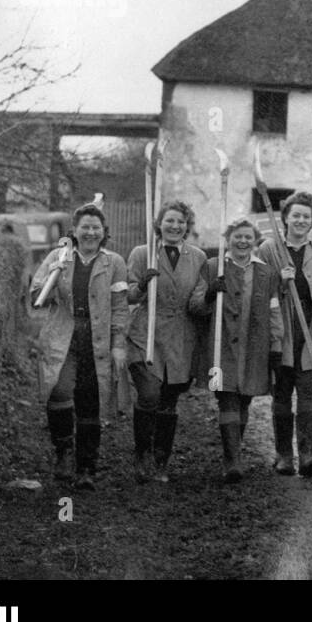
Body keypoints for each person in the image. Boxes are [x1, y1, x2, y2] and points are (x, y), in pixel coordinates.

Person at [29, 201, 129, 490]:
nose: (90, 232)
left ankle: (86, 467)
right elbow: (36, 297)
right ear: (74, 230)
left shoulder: (114, 263)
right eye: (85, 227)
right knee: (58, 391)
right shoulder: (58, 257)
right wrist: (53, 274)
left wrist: (118, 344)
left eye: (96, 228)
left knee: (90, 400)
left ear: (103, 232)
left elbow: (120, 307)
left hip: (96, 338)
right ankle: (63, 452)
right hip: (64, 334)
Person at [126, 199, 208, 483]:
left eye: (181, 222)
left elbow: (196, 303)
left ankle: (161, 460)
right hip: (145, 334)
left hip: (180, 337)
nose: (175, 226)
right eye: (169, 220)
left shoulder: (197, 257)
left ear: (187, 227)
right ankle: (142, 456)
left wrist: (209, 296)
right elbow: (127, 295)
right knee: (149, 394)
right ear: (159, 224)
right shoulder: (142, 254)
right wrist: (140, 285)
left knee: (169, 401)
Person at [257, 191, 312, 477]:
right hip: (281, 328)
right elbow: (259, 290)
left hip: (310, 328)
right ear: (285, 218)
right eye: (296, 215)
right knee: (282, 390)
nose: (301, 220)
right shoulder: (269, 248)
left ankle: (308, 455)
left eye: (306, 216)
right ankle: (283, 455)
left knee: (307, 390)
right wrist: (280, 279)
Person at [201, 218, 282, 482]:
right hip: (221, 345)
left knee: (245, 396)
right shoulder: (214, 267)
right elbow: (195, 305)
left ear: (255, 241)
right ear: (228, 239)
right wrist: (209, 294)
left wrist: (276, 343)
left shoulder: (267, 273)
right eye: (238, 236)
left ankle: (235, 452)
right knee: (227, 397)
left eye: (248, 237)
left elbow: (274, 310)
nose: (243, 241)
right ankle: (232, 460)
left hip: (253, 344)